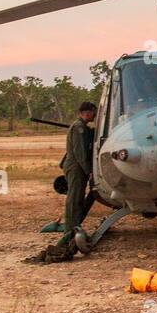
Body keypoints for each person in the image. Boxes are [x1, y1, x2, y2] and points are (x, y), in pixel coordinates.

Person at [61, 101, 98, 238]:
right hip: (76, 167)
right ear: (87, 112)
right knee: (74, 198)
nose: (94, 115)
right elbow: (80, 153)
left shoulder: (83, 127)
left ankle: (74, 226)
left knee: (78, 198)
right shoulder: (78, 128)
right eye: (94, 112)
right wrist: (89, 170)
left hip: (78, 167)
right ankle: (70, 230)